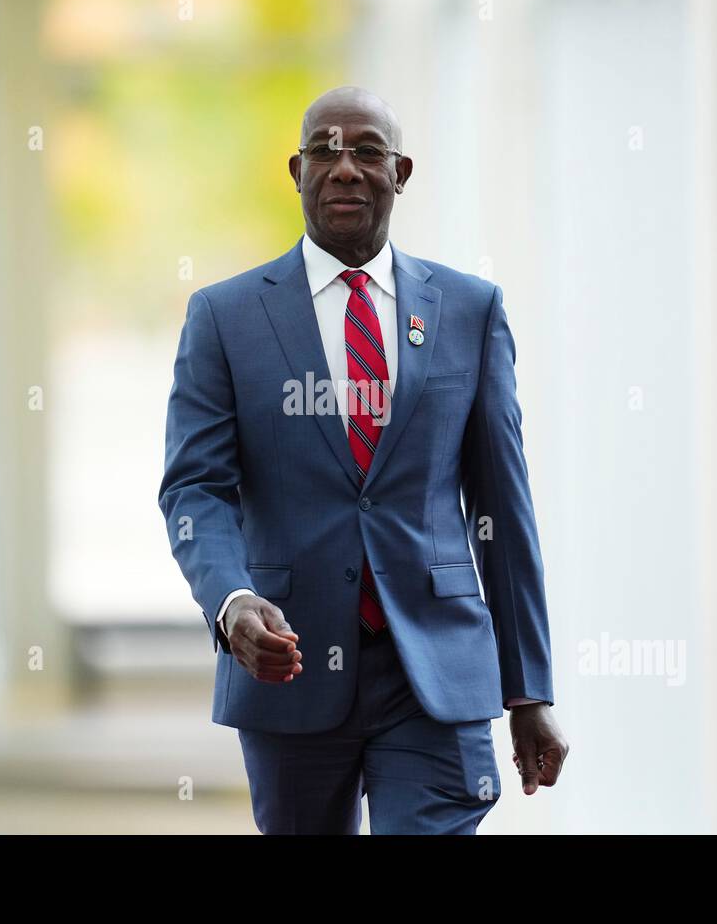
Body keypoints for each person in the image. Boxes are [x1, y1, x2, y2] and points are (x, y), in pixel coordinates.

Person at [158, 86, 569, 834]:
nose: (344, 167)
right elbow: (195, 489)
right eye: (325, 149)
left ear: (401, 172)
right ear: (297, 170)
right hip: (291, 662)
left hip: (436, 668)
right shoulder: (225, 318)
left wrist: (528, 690)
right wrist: (231, 601)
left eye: (368, 151)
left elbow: (501, 510)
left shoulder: (469, 312)